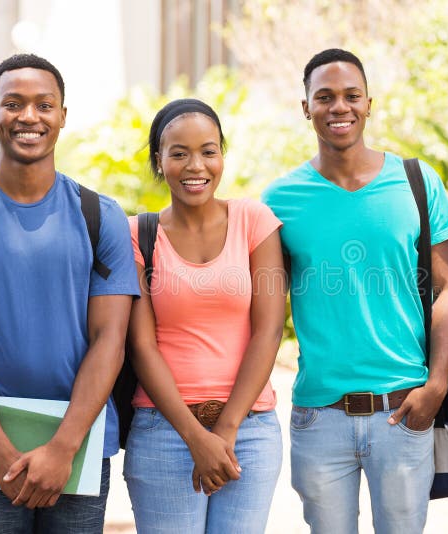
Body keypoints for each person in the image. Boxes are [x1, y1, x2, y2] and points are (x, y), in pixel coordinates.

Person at [0, 54, 140, 533]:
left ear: (62, 115)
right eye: (13, 104)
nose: (29, 116)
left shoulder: (101, 217)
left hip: (80, 445)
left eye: (44, 105)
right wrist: (1, 454)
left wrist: (62, 448)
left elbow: (110, 340)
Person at [262, 48, 448, 533]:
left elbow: (446, 288)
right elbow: (263, 311)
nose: (340, 107)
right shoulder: (280, 200)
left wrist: (436, 385)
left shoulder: (416, 181)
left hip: (403, 408)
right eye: (324, 97)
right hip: (319, 416)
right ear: (306, 107)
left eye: (352, 95)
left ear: (369, 104)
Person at [122, 98, 286, 533]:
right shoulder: (137, 234)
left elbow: (269, 330)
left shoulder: (254, 220)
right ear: (159, 161)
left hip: (249, 431)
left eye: (208, 151)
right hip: (164, 431)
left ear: (221, 155)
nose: (196, 166)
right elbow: (141, 345)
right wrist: (196, 438)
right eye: (179, 153)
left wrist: (225, 431)